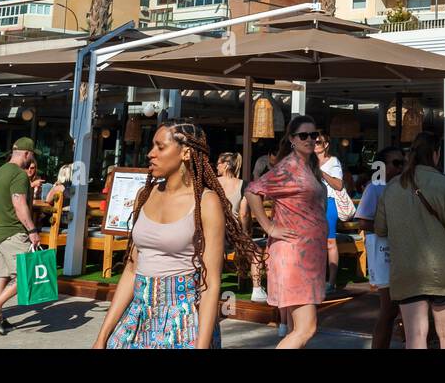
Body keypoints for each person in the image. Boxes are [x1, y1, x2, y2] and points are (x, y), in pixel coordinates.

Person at [94, 122, 259, 349]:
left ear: (185, 152)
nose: (151, 154)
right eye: (152, 146)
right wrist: (102, 336)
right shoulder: (145, 194)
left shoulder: (206, 202)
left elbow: (210, 283)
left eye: (160, 147)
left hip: (183, 320)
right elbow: (132, 269)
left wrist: (202, 345)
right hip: (138, 314)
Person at [375, 132, 445, 349]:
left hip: (406, 272)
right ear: (436, 155)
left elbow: (380, 228)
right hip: (443, 270)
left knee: (415, 336)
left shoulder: (392, 187)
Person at [245, 115, 328, 349]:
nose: (311, 139)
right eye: (304, 135)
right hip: (294, 257)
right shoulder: (289, 167)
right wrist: (269, 226)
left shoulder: (308, 167)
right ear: (292, 139)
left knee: (295, 329)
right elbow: (253, 190)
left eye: (314, 135)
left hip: (307, 256)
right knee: (306, 329)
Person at [0, 137, 44, 335]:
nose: (31, 160)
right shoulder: (19, 175)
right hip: (13, 232)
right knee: (26, 275)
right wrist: (32, 230)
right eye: (31, 155)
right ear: (26, 153)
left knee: (1, 276)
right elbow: (19, 204)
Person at [356, 145, 404, 349]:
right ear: (382, 166)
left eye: (403, 162)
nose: (401, 167)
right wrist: (389, 226)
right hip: (383, 252)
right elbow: (363, 222)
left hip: (403, 251)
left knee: (403, 308)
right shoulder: (375, 187)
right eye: (396, 163)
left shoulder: (404, 185)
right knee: (389, 309)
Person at [315, 134, 345, 293]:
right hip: (311, 204)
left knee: (330, 242)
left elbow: (339, 185)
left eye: (318, 142)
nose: (315, 144)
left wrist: (322, 173)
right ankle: (316, 278)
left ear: (326, 145)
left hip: (328, 203)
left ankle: (331, 282)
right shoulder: (306, 160)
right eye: (313, 141)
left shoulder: (333, 162)